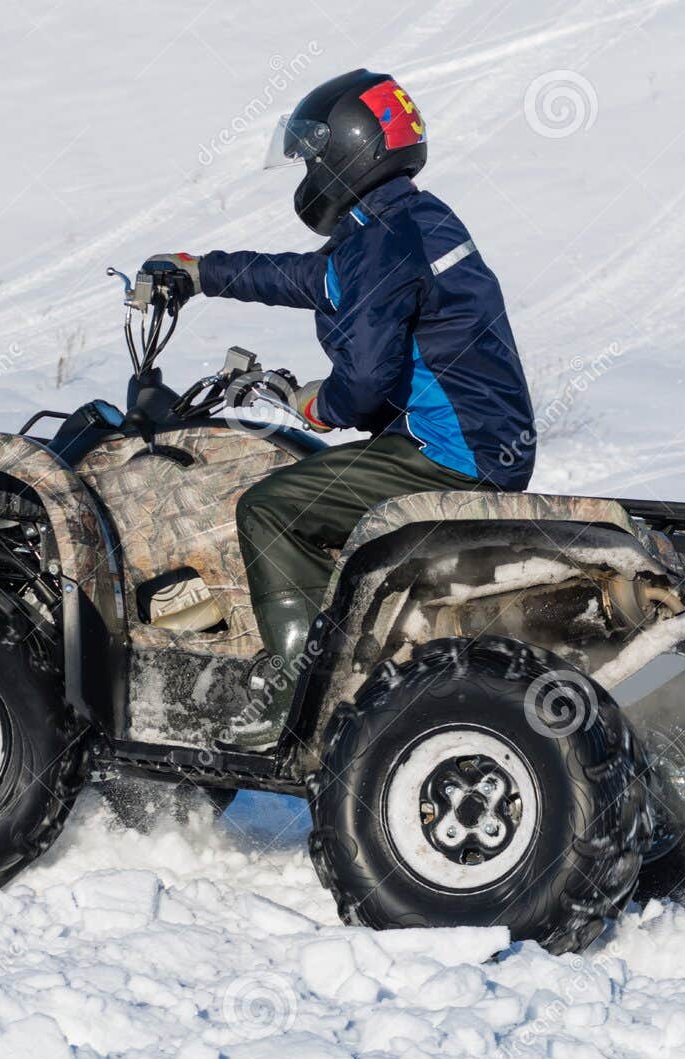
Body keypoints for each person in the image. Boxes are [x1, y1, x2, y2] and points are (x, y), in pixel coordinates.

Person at [141, 69, 536, 748]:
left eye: (310, 154)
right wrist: (201, 270)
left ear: (348, 149)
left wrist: (316, 405)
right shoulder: (406, 220)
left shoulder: (384, 240)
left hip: (451, 455)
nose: (306, 169)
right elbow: (303, 277)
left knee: (270, 508)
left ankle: (305, 690)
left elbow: (366, 378)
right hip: (471, 443)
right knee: (313, 486)